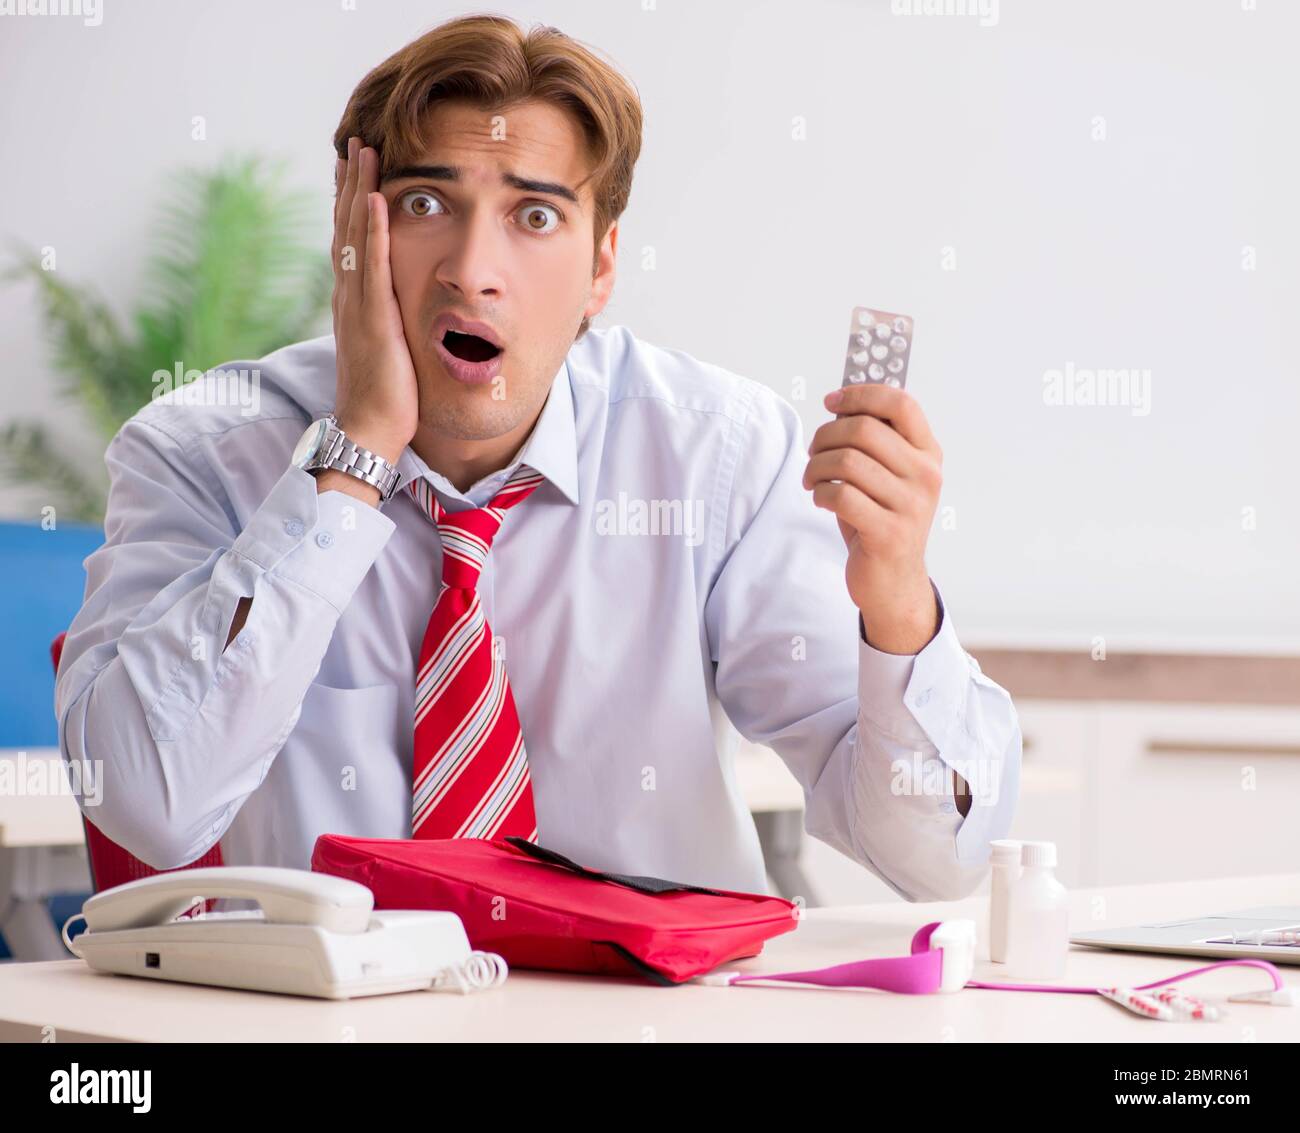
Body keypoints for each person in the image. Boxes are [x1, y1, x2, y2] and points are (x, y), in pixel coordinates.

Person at [56, 14, 1020, 901]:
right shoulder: (200, 452)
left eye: (535, 216)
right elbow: (146, 804)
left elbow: (935, 861)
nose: (473, 269)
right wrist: (350, 465)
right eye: (427, 202)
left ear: (603, 267)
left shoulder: (719, 457)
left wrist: (896, 599)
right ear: (357, 240)